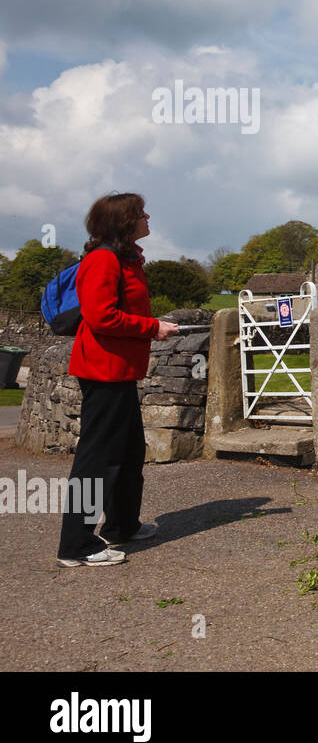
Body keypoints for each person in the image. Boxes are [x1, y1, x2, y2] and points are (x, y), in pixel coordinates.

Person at [56, 193, 179, 567]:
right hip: (102, 371)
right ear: (124, 222)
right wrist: (152, 328)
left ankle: (123, 525)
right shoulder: (102, 260)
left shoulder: (124, 259)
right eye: (140, 213)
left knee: (128, 453)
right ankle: (75, 545)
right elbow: (101, 318)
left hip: (120, 371)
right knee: (98, 460)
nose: (147, 216)